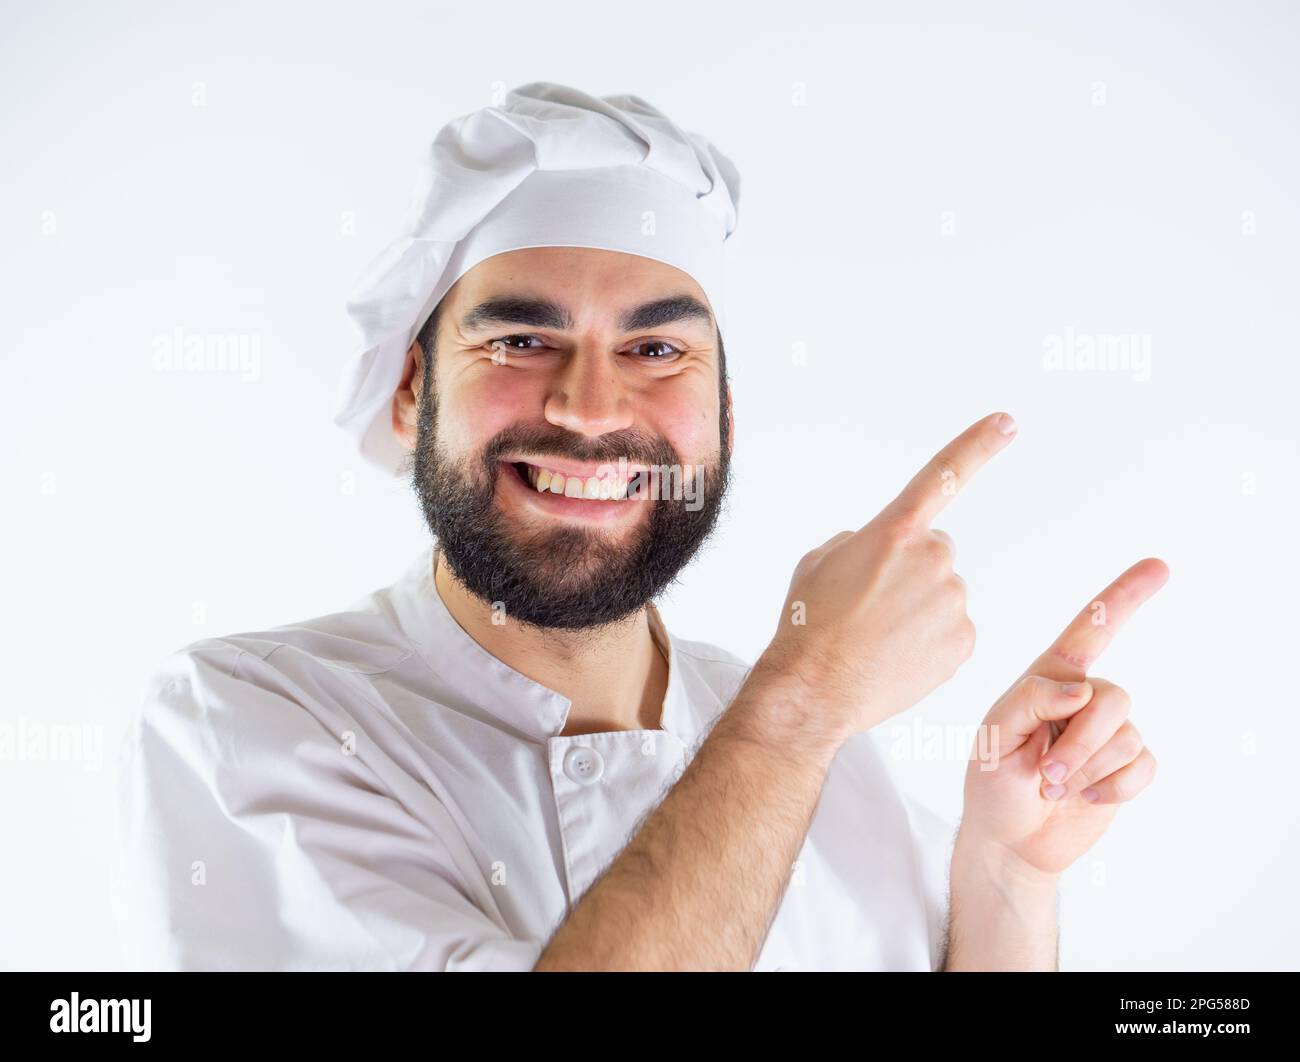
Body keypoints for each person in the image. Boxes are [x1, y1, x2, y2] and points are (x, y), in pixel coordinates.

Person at [111, 82, 1168, 971]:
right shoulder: (250, 723)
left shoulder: (816, 744)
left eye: (658, 353)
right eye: (521, 338)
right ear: (408, 395)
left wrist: (1007, 872)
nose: (589, 407)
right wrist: (800, 702)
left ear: (723, 422)